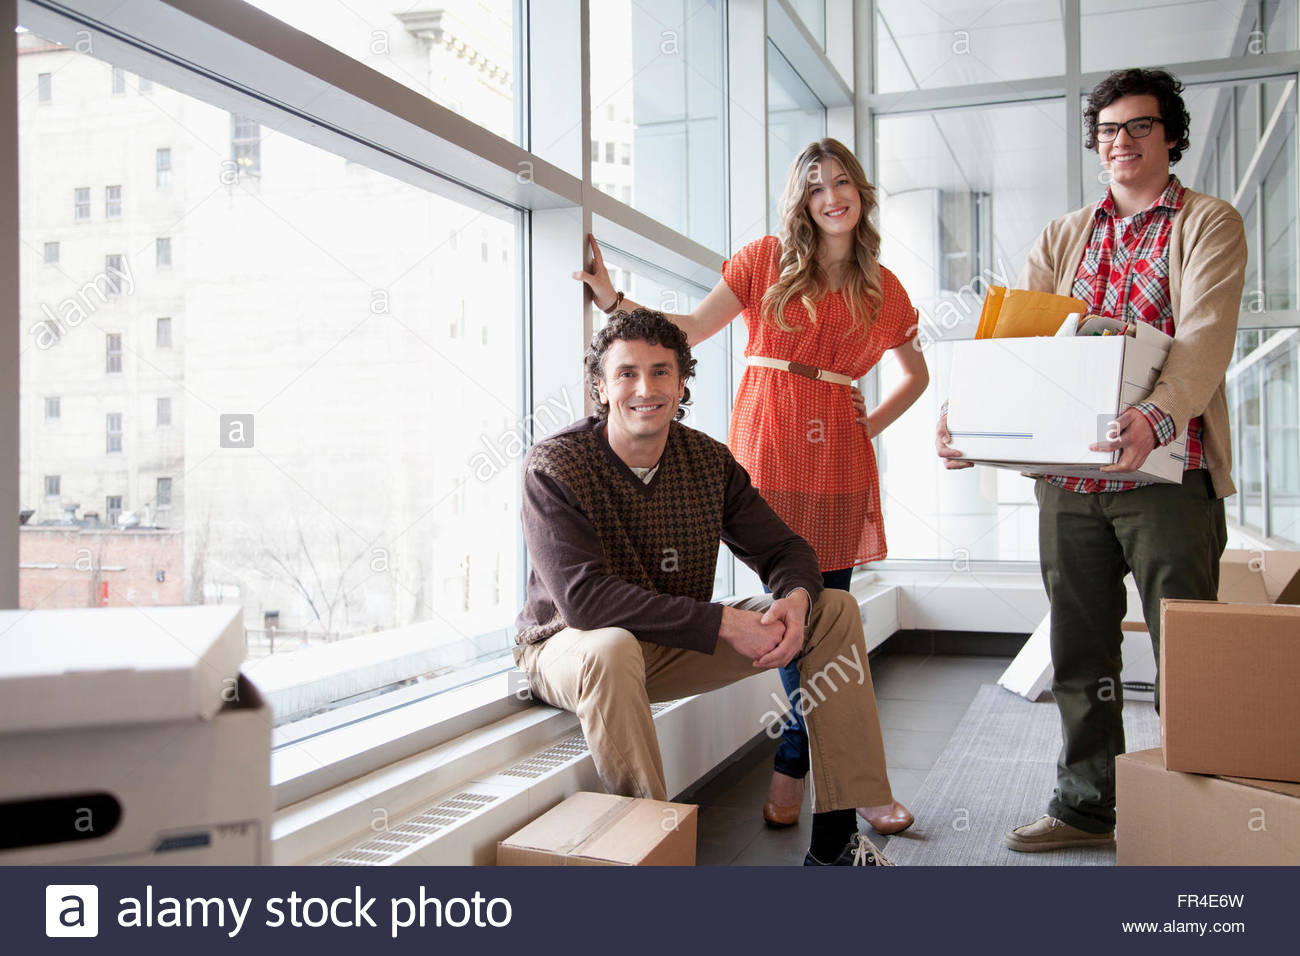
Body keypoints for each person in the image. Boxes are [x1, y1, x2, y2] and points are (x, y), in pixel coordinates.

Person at [574, 138, 927, 836]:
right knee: (794, 608)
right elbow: (692, 330)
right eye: (816, 185)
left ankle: (796, 765)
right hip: (772, 442)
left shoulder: (885, 288)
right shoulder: (766, 259)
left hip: (839, 458)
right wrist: (612, 298)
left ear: (861, 190)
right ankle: (828, 777)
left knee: (832, 615)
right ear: (802, 200)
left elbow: (916, 374)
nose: (831, 195)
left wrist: (869, 422)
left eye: (842, 181)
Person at [937, 68, 1246, 851]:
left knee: (1190, 647)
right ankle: (1086, 806)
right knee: (1080, 645)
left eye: (1139, 126)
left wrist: (1153, 413)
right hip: (1070, 479)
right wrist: (968, 421)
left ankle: (1196, 808)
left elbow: (1206, 337)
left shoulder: (1209, 223)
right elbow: (1019, 343)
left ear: (1170, 135)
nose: (1122, 142)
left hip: (1168, 474)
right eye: (1108, 130)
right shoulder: (1064, 234)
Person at [515, 309, 897, 865]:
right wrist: (723, 622)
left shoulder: (707, 461)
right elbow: (585, 601)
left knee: (832, 608)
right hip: (569, 647)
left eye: (661, 372)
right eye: (626, 374)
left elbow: (786, 549)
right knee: (612, 644)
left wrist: (792, 597)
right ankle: (654, 859)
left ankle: (836, 847)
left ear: (681, 382)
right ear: (600, 386)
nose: (645, 388)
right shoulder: (555, 465)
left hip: (669, 642)